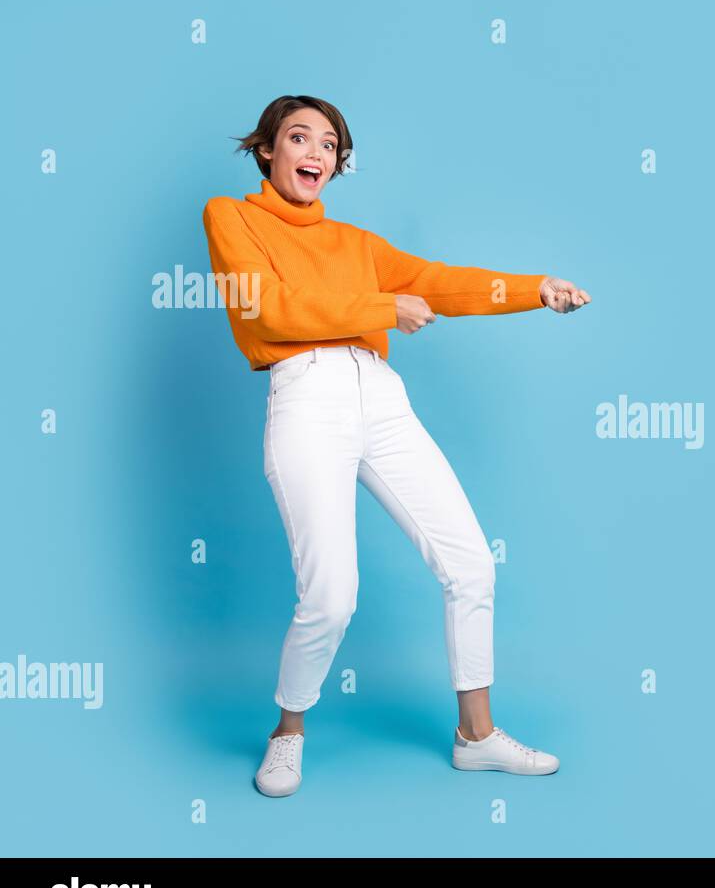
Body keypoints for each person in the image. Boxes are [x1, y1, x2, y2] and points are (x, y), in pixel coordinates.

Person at [201, 94, 591, 797]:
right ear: (267, 150)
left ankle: (476, 736)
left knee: (471, 563)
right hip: (306, 395)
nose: (316, 153)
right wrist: (381, 308)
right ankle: (286, 734)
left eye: (330, 145)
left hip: (380, 397)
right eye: (299, 138)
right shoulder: (231, 216)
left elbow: (440, 282)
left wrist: (536, 288)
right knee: (331, 595)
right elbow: (265, 308)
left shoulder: (356, 244)